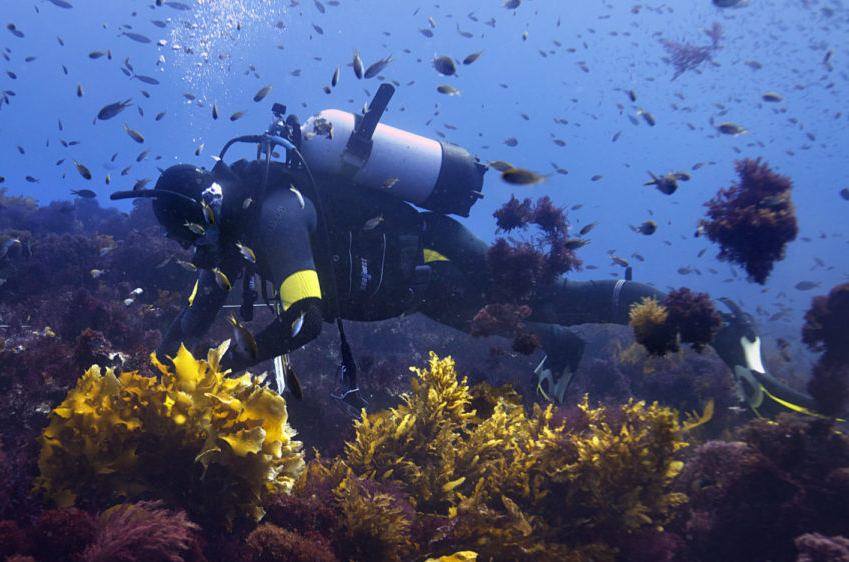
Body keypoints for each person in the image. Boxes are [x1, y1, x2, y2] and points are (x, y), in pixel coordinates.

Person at [111, 89, 823, 418]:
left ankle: (717, 321)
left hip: (433, 255)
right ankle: (560, 352)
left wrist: (230, 363)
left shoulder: (272, 212)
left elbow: (305, 321)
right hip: (413, 288)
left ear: (207, 207)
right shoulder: (237, 228)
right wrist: (163, 361)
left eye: (189, 234)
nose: (195, 251)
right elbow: (208, 295)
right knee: (494, 322)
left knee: (549, 297)